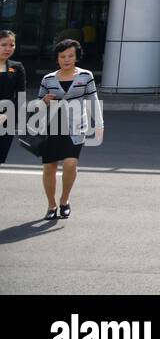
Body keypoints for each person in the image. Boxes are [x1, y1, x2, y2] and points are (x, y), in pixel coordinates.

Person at [38, 39, 101, 220]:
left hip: (76, 126)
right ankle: (51, 205)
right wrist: (44, 102)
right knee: (49, 167)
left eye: (70, 56)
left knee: (70, 163)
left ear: (76, 56)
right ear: (57, 58)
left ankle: (65, 200)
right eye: (62, 56)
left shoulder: (85, 76)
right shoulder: (48, 79)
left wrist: (99, 124)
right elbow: (38, 104)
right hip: (52, 127)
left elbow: (93, 100)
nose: (66, 59)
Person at [0, 30, 26, 166]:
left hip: (6, 121)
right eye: (4, 45)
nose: (8, 48)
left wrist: (7, 114)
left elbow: (21, 96)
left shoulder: (17, 67)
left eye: (12, 45)